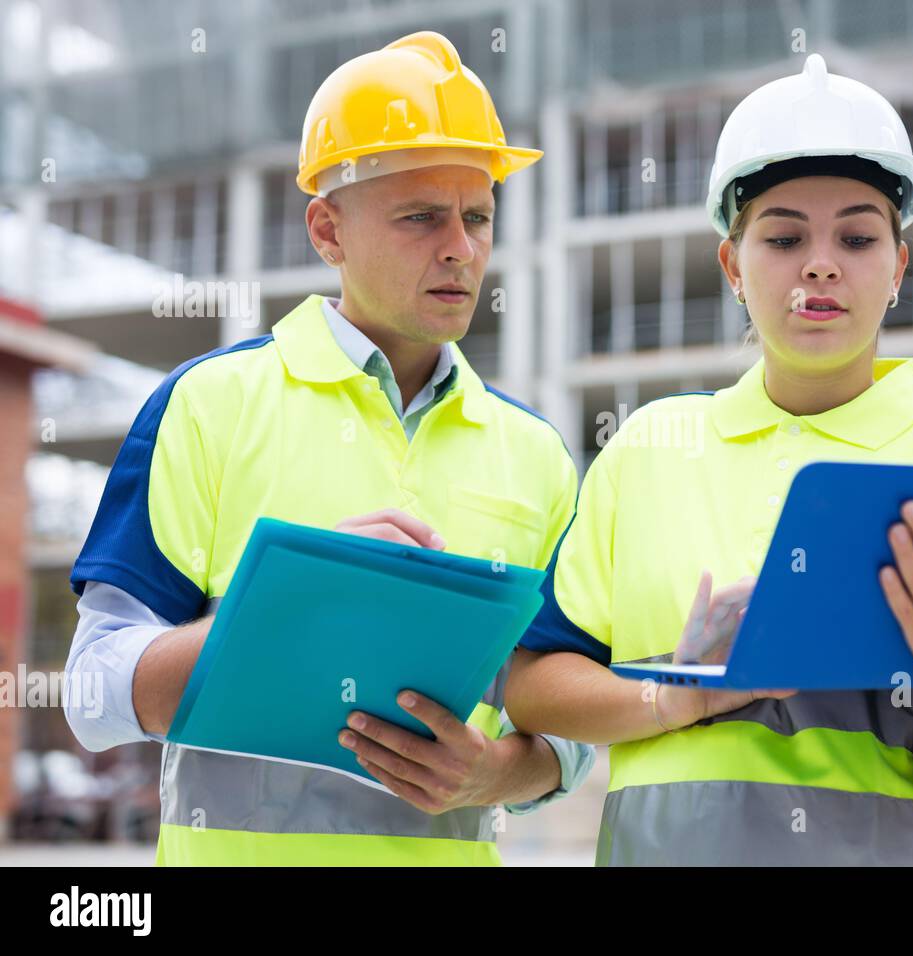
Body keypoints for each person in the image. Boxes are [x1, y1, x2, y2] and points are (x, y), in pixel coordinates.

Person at [504, 54, 913, 866]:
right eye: (782, 236)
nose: (820, 263)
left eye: (857, 235)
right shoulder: (646, 451)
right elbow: (530, 687)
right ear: (733, 266)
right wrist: (680, 698)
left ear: (898, 267)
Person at [63, 32, 593, 866]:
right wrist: (299, 602)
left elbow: (566, 730)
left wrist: (491, 776)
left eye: (479, 215)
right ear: (327, 230)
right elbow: (91, 697)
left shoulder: (537, 454)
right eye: (422, 216)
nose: (461, 246)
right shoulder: (209, 405)